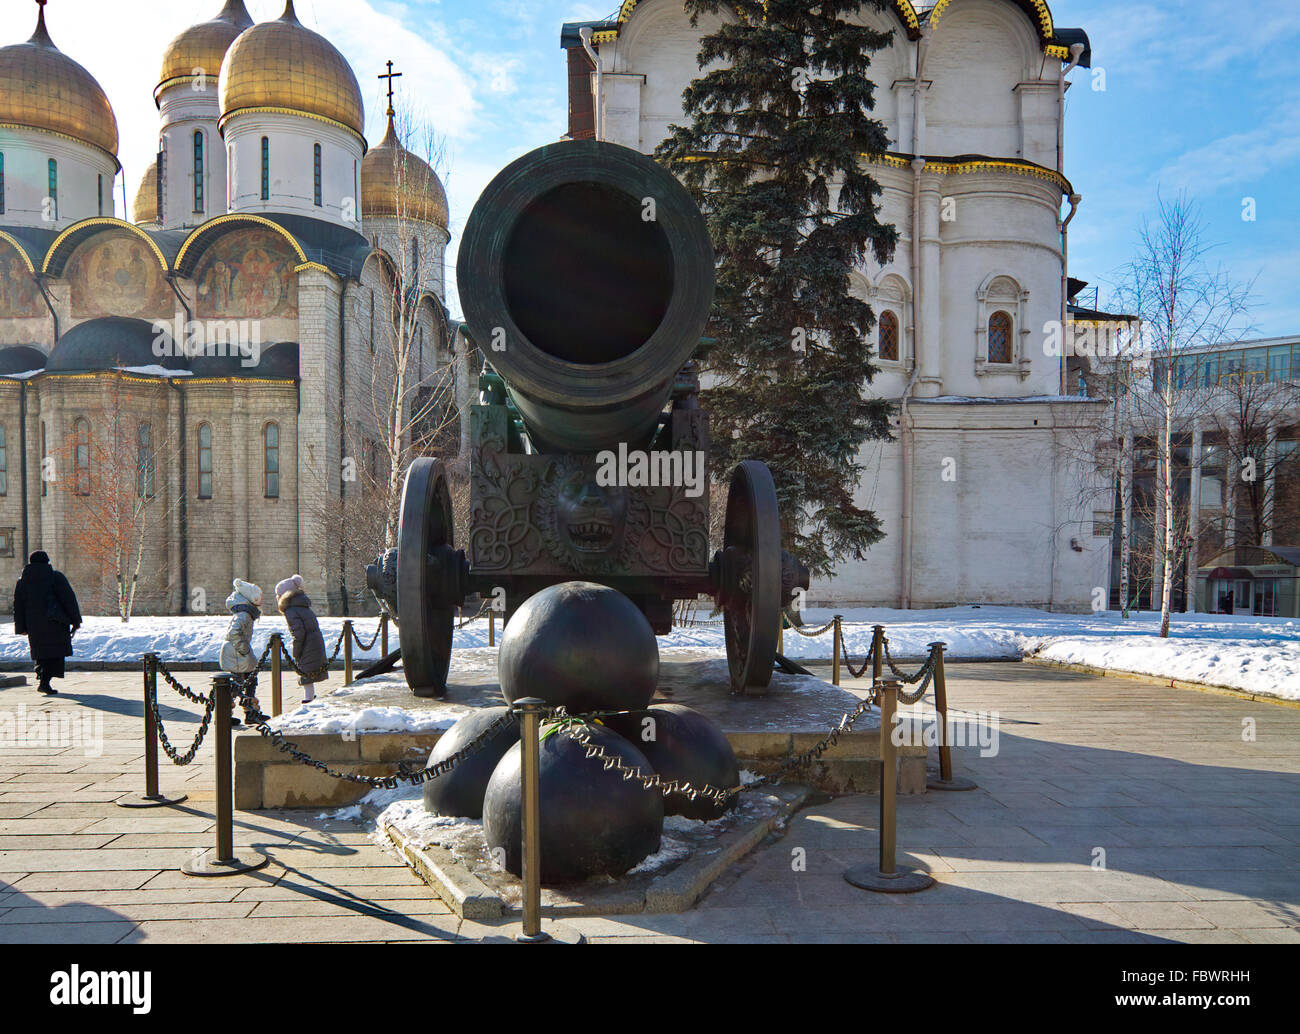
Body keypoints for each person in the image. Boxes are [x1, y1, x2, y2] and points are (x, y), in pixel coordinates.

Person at [12, 551, 82, 695]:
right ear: (47, 561)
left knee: (42, 653)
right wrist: (76, 620)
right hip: (55, 622)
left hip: (34, 625)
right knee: (55, 653)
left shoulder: (22, 581)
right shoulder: (55, 577)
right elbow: (69, 600)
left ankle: (43, 680)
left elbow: (18, 606)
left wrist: (21, 627)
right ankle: (45, 682)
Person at [275, 575, 327, 703]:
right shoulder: (302, 605)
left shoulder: (291, 610)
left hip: (307, 643)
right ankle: (310, 697)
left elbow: (298, 633)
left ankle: (308, 699)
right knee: (308, 670)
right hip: (314, 641)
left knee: (305, 671)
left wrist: (296, 651)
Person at [219, 579, 262, 725]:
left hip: (237, 651)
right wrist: (244, 648)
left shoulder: (245, 612)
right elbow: (233, 632)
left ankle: (249, 711)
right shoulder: (244, 614)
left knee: (248, 679)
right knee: (238, 683)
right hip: (236, 652)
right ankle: (228, 715)